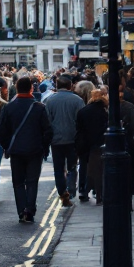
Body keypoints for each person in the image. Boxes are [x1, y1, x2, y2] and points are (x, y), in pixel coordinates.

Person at [0, 76, 54, 224]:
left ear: (16, 89)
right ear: (31, 88)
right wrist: (44, 146)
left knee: (18, 182)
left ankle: (22, 210)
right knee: (32, 181)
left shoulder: (9, 107)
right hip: (35, 150)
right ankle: (30, 210)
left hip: (16, 151)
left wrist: (6, 146)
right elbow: (48, 131)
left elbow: (1, 130)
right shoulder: (39, 107)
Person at [42, 74, 84, 207]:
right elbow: (82, 120)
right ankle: (71, 191)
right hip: (73, 139)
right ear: (70, 86)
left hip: (56, 140)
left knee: (59, 169)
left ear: (56, 86)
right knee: (72, 167)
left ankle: (62, 192)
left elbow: (47, 122)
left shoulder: (50, 100)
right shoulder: (77, 100)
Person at [75, 88, 110, 203]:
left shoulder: (83, 111)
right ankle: (96, 192)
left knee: (84, 168)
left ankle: (83, 189)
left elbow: (79, 129)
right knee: (98, 170)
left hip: (84, 143)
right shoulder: (105, 112)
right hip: (99, 144)